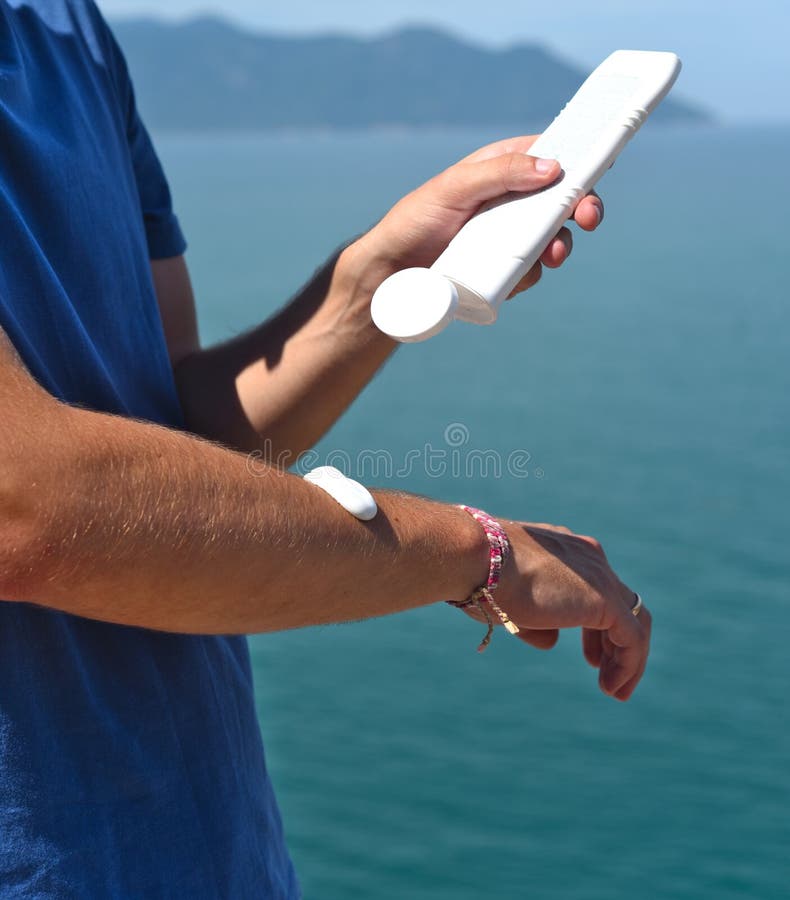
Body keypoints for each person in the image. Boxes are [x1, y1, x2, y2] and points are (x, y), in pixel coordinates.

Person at [0, 1, 652, 896]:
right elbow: (22, 501)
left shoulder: (66, 30)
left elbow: (180, 443)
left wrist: (371, 286)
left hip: (208, 849)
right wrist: (479, 554)